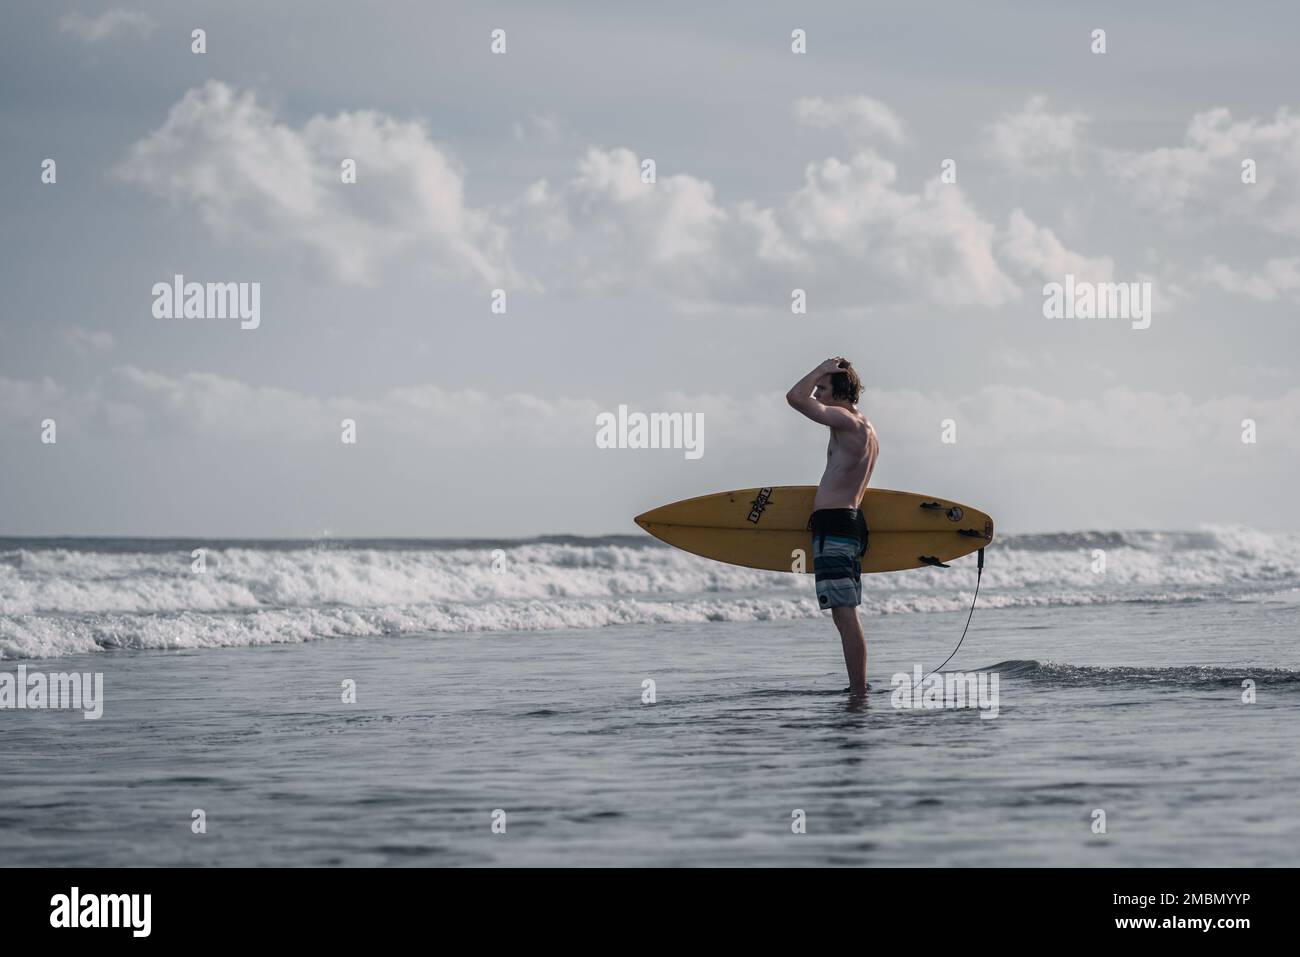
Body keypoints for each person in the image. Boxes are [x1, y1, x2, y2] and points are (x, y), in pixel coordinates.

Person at [785, 358, 880, 694]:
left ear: (839, 390)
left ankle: (858, 690)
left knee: (844, 616)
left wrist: (820, 367)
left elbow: (795, 398)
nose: (816, 393)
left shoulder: (845, 420)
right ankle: (859, 687)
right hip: (850, 523)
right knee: (846, 614)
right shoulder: (867, 429)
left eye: (822, 388)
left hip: (835, 526)